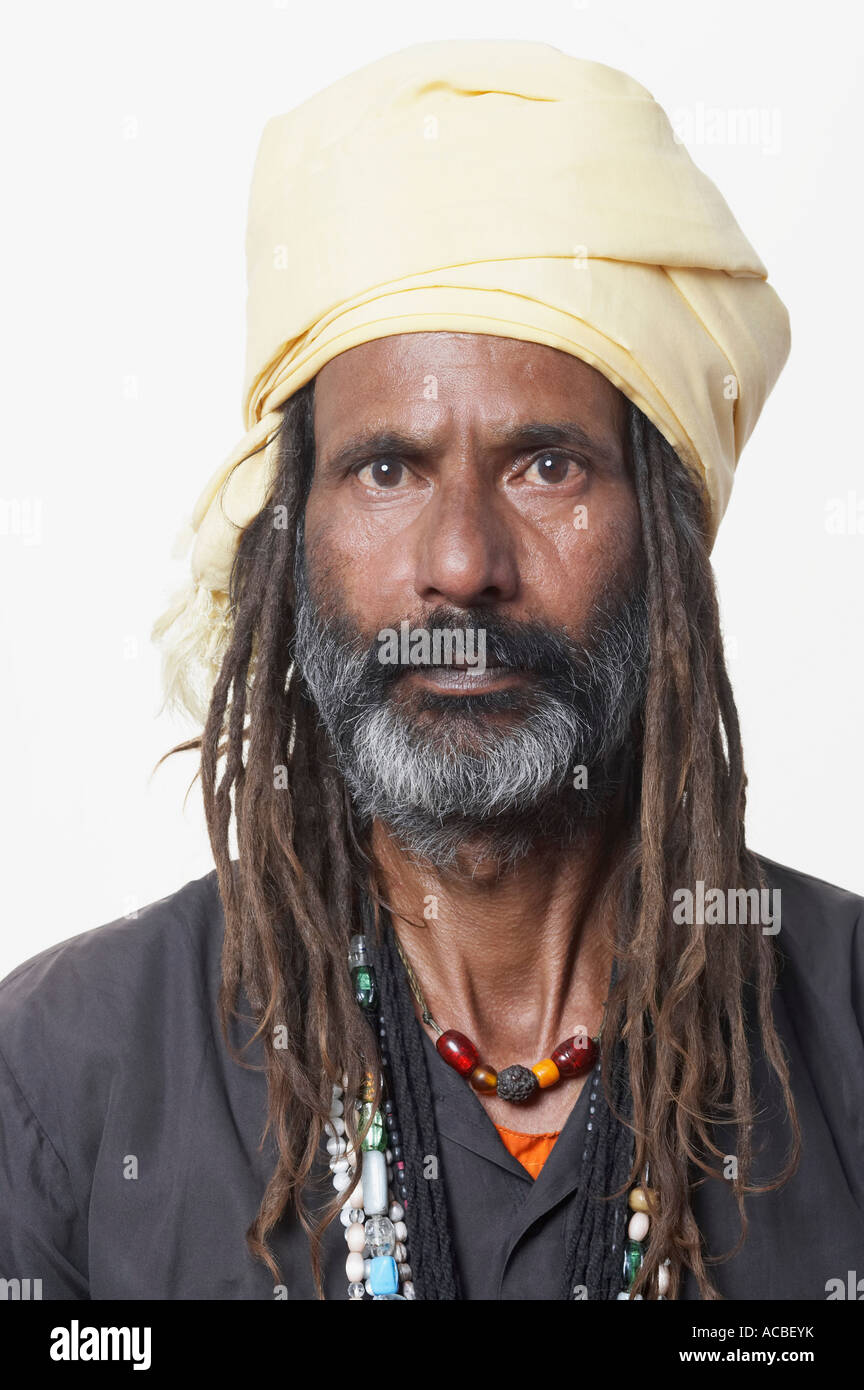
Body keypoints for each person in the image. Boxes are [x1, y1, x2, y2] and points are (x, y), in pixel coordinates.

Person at [1, 39, 862, 1303]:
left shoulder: (842, 1039)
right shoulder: (67, 1073)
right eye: (387, 468)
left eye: (546, 463)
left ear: (666, 538)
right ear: (295, 531)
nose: (461, 563)